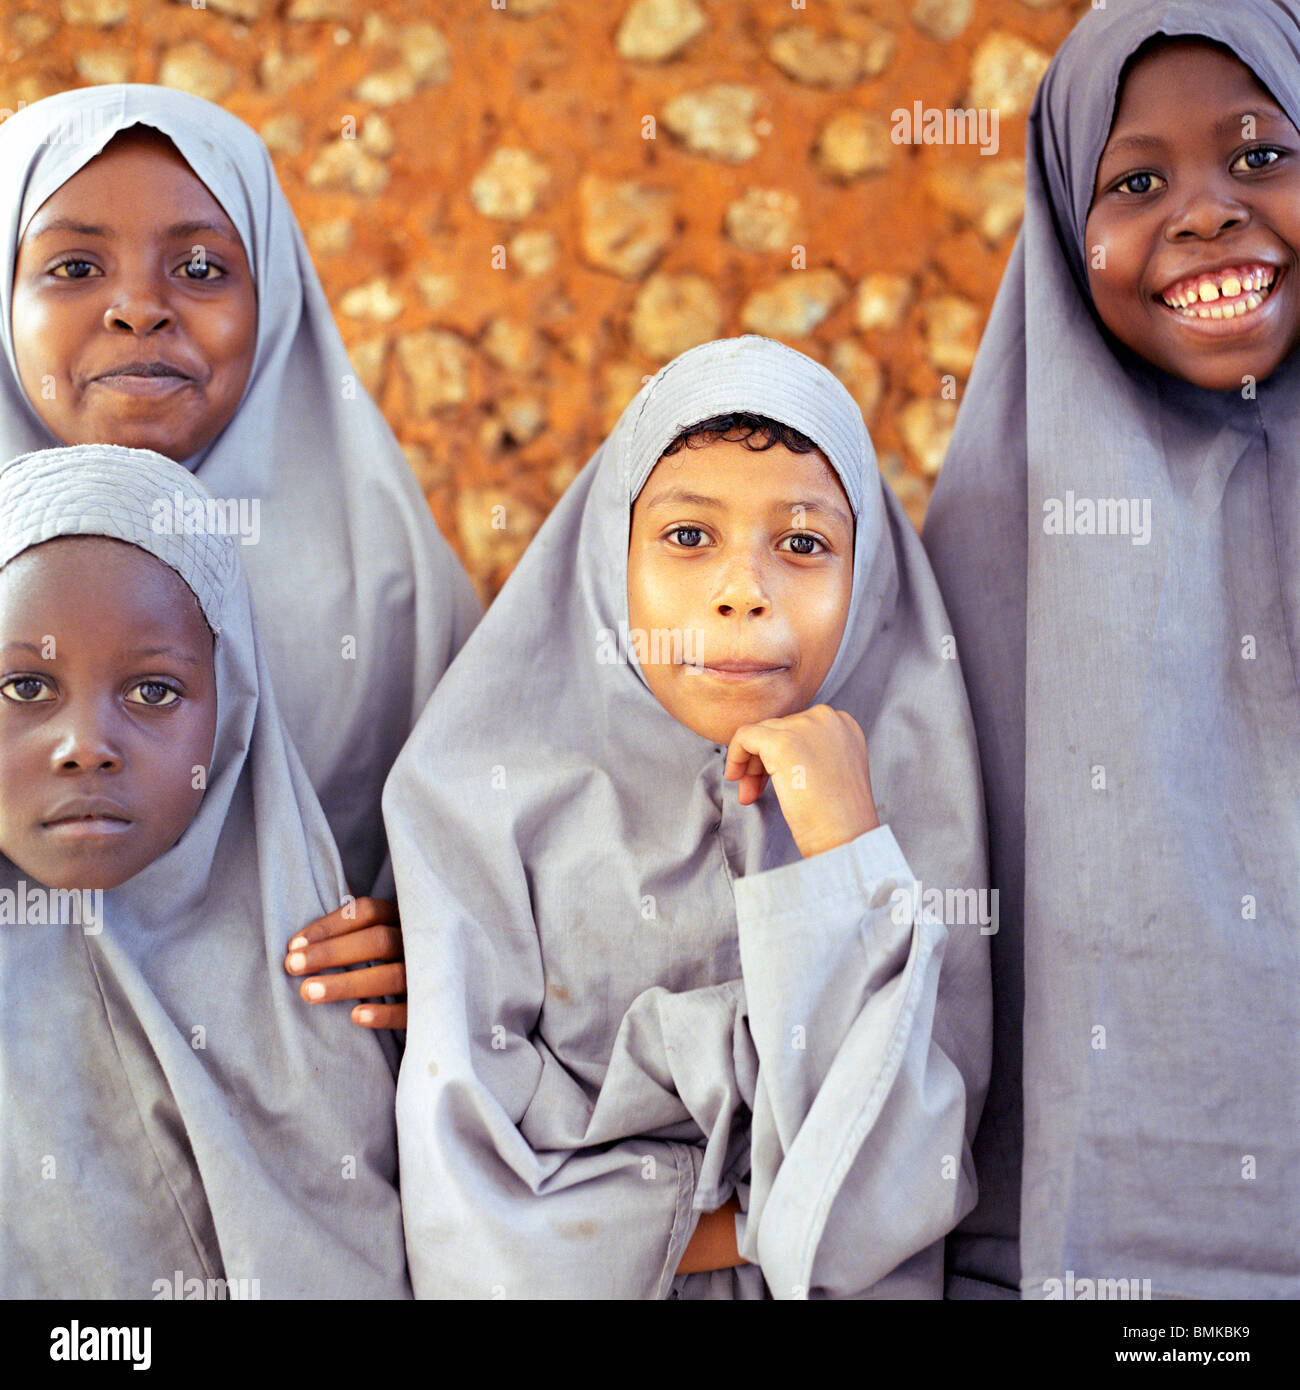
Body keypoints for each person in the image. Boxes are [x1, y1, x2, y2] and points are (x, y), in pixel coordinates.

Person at [387, 336, 992, 1298]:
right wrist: (768, 1221)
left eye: (803, 544)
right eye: (687, 537)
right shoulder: (476, 802)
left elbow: (909, 1181)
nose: (743, 591)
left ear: (868, 575)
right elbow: (469, 1211)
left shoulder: (913, 799)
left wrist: (847, 854)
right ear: (606, 558)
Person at [923, 0, 1300, 1299]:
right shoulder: (984, 550)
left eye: (1261, 154)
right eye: (1135, 181)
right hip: (1077, 1255)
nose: (1204, 213)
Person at [0, 85, 481, 1025]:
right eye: (72, 265)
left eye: (200, 268)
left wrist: (448, 933)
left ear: (277, 300)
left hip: (315, 1104)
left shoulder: (392, 591)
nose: (139, 308)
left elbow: (503, 874)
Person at [0, 443, 409, 1298]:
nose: (85, 747)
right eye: (25, 688)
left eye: (153, 691)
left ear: (231, 718)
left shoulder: (336, 984)